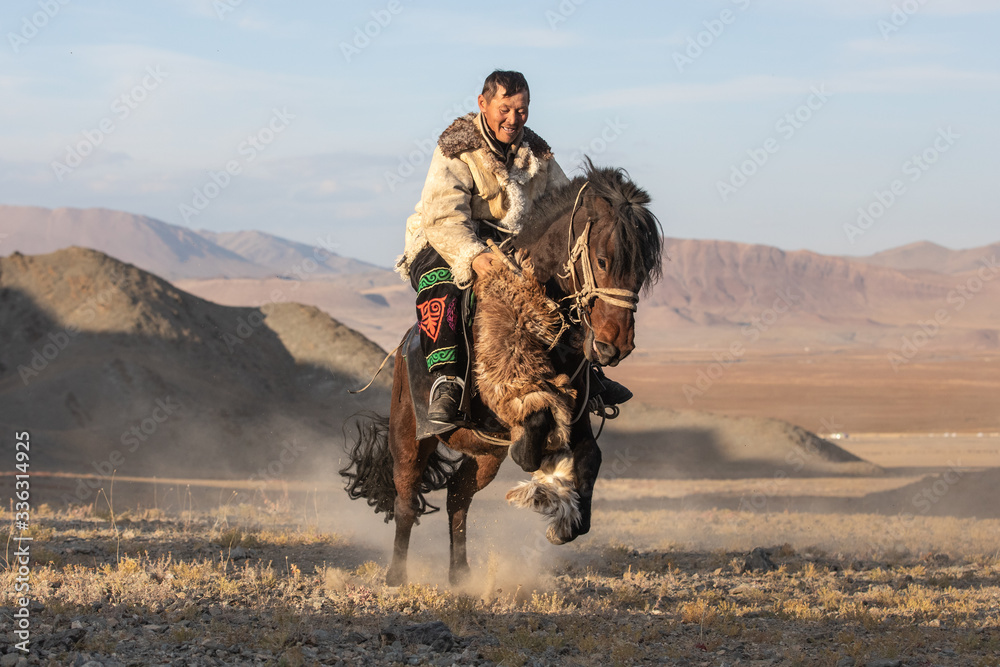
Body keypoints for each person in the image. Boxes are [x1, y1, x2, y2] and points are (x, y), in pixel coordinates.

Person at [395, 70, 631, 427]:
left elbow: (564, 202)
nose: (513, 119)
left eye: (521, 110)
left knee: (558, 288)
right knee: (445, 285)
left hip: (511, 243)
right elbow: (442, 214)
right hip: (446, 238)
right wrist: (473, 256)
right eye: (505, 109)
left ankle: (587, 374)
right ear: (483, 104)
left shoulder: (536, 152)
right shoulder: (455, 147)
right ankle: (447, 380)